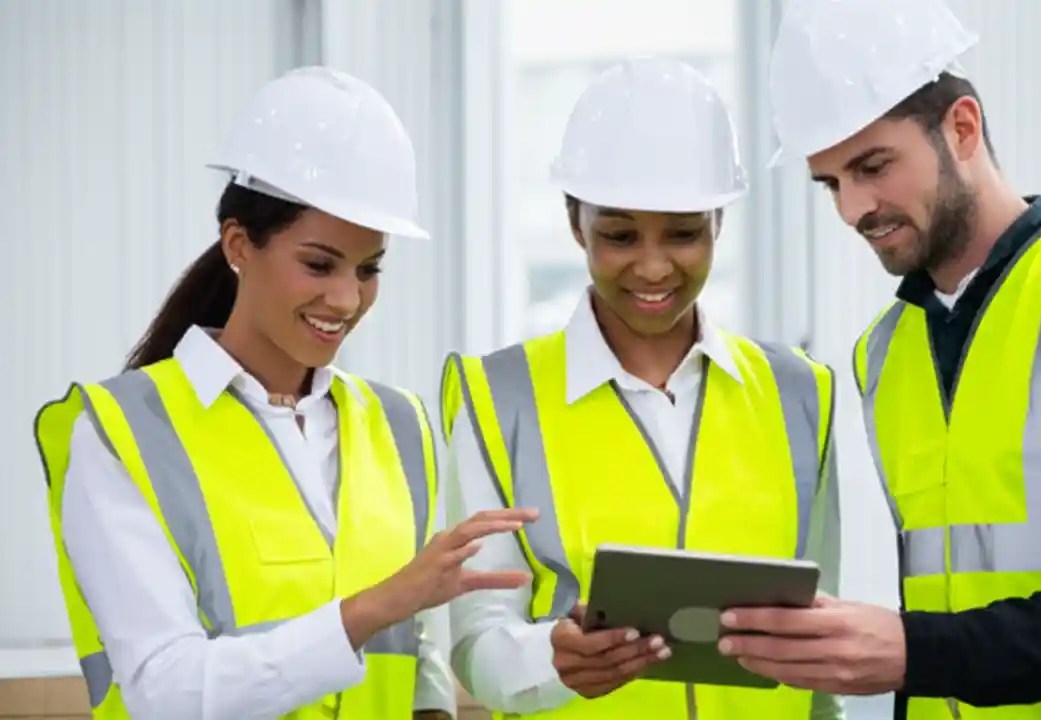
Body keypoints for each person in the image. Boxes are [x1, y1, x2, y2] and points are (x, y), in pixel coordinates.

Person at [715, 1, 1041, 718]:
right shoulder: (885, 352)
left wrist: (910, 651)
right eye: (831, 183)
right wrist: (895, 652)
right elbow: (935, 594)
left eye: (873, 166)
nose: (854, 208)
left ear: (961, 128)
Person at [34, 66, 537, 720]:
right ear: (239, 244)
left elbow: (415, 662)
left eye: (369, 269)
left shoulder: (401, 426)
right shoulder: (119, 432)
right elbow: (167, 691)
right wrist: (375, 605)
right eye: (319, 264)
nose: (347, 299)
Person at [438, 57, 844, 719]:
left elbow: (822, 646)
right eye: (620, 235)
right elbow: (475, 640)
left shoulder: (802, 393)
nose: (653, 267)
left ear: (719, 222)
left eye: (683, 234)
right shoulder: (496, 397)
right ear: (576, 224)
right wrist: (554, 659)